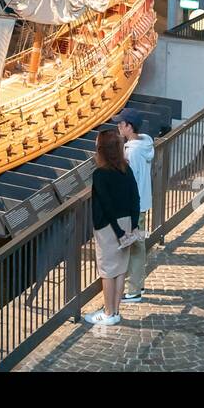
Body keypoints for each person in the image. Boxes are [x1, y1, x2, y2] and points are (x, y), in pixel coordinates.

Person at [85, 129, 140, 327]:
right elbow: (135, 198)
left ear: (102, 151)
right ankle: (115, 311)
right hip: (126, 223)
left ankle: (108, 313)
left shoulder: (99, 174)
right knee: (120, 268)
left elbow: (106, 205)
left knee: (107, 270)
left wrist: (118, 232)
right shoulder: (126, 169)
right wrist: (133, 227)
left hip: (109, 227)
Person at [117, 109, 154, 303]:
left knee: (134, 247)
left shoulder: (133, 151)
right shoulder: (145, 143)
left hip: (134, 206)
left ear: (129, 127)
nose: (118, 127)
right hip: (143, 202)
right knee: (138, 245)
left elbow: (131, 182)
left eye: (121, 124)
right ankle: (138, 284)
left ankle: (133, 290)